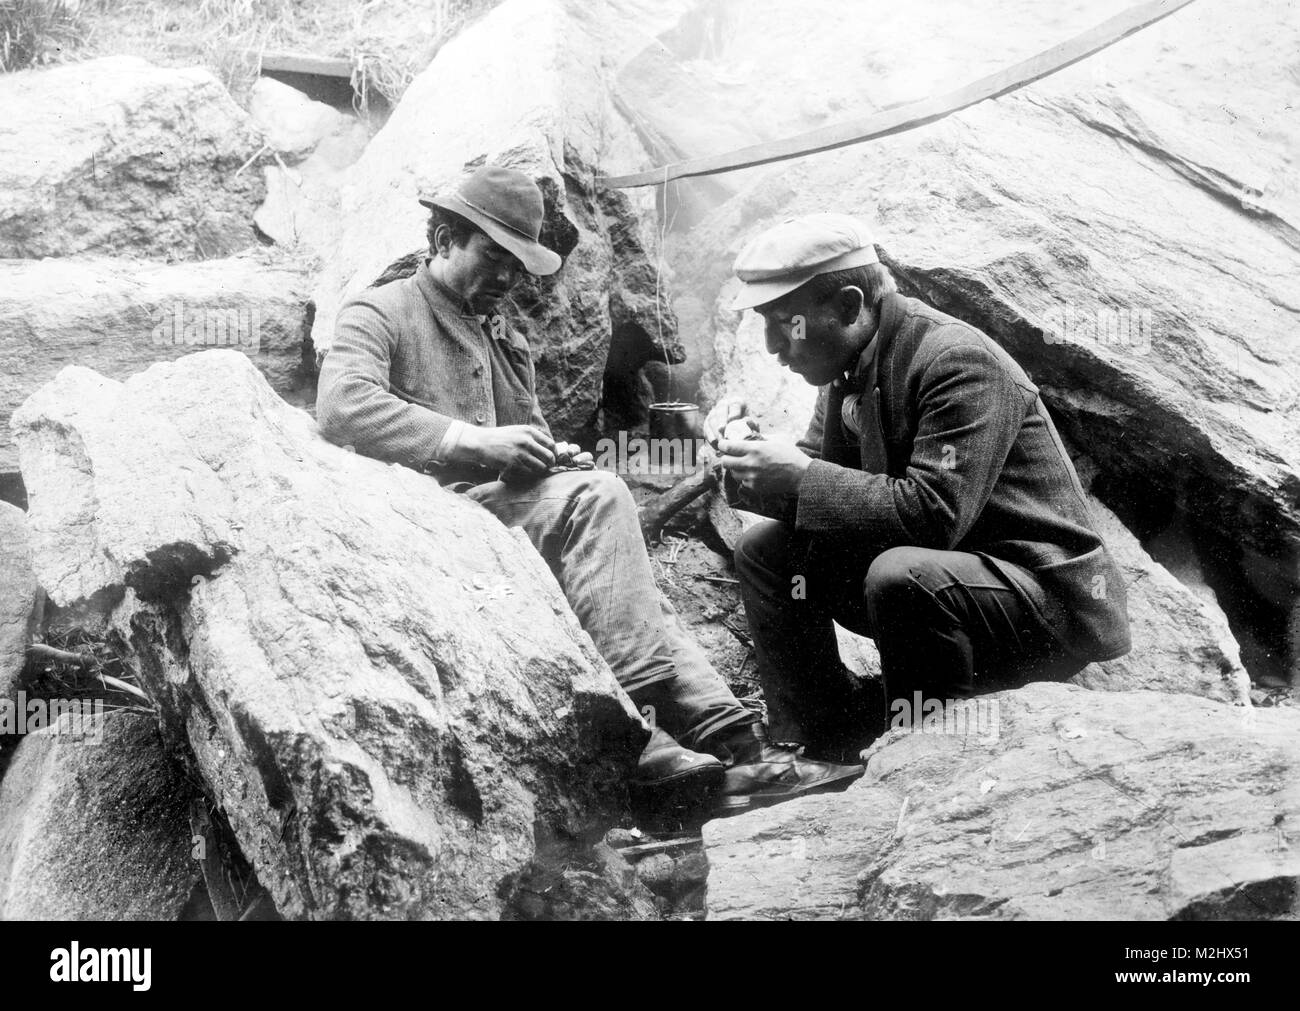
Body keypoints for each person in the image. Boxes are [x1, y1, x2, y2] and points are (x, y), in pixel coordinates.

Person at [315, 166, 864, 811]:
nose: (507, 280)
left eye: (519, 268)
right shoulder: (379, 312)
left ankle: (741, 748)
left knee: (623, 582)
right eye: (495, 258)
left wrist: (548, 458)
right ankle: (638, 737)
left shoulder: (505, 340)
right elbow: (343, 406)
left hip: (498, 520)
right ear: (442, 239)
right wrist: (470, 442)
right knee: (602, 497)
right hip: (425, 520)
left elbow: (528, 444)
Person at [709, 213, 1131, 760]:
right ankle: (818, 740)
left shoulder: (956, 359)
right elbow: (817, 473)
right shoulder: (850, 361)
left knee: (902, 573)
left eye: (785, 323)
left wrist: (800, 476)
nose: (771, 345)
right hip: (950, 584)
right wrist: (743, 458)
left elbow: (933, 514)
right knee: (766, 551)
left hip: (1040, 599)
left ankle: (926, 758)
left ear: (849, 306)